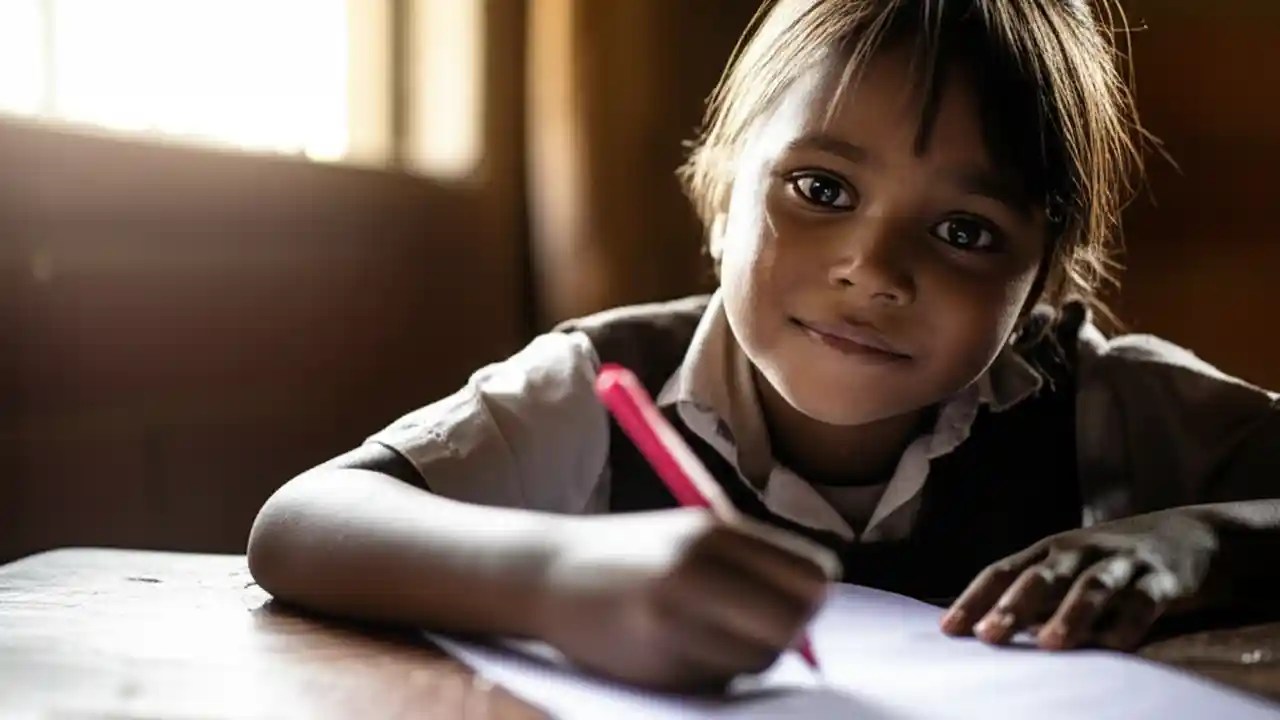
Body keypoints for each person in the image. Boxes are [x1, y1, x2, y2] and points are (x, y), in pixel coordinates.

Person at [248, 0, 1280, 693]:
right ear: (717, 193)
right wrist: (555, 577)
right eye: (820, 190)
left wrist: (1199, 545)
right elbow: (300, 524)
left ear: (1040, 282)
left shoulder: (1104, 402)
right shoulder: (605, 387)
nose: (872, 269)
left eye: (964, 232)